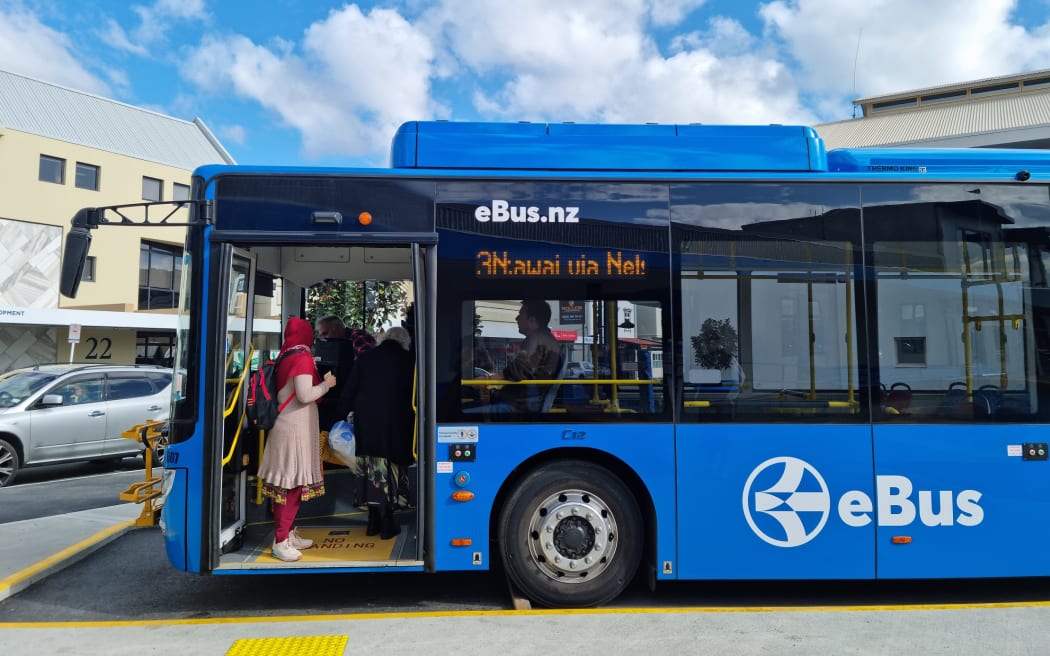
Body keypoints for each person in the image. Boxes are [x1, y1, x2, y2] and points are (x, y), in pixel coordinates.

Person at [256, 316, 337, 562]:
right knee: (290, 487)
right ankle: (281, 541)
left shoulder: (285, 356)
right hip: (293, 433)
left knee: (291, 485)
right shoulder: (301, 358)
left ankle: (289, 534)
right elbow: (304, 395)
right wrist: (327, 384)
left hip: (289, 429)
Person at [339, 326, 415, 540]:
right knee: (392, 472)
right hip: (396, 427)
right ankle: (389, 523)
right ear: (404, 342)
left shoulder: (366, 358)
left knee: (370, 472)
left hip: (368, 426)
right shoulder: (408, 360)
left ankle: (373, 522)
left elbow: (349, 390)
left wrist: (340, 414)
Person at [473, 299, 561, 412]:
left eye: (520, 314)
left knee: (463, 412)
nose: (517, 318)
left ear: (532, 320)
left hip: (518, 407)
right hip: (526, 403)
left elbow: (518, 369)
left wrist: (487, 380)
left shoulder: (536, 339)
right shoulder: (548, 340)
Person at [313, 315, 375, 430]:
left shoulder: (358, 337)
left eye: (325, 333)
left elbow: (367, 366)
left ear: (336, 328)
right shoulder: (333, 345)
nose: (324, 338)